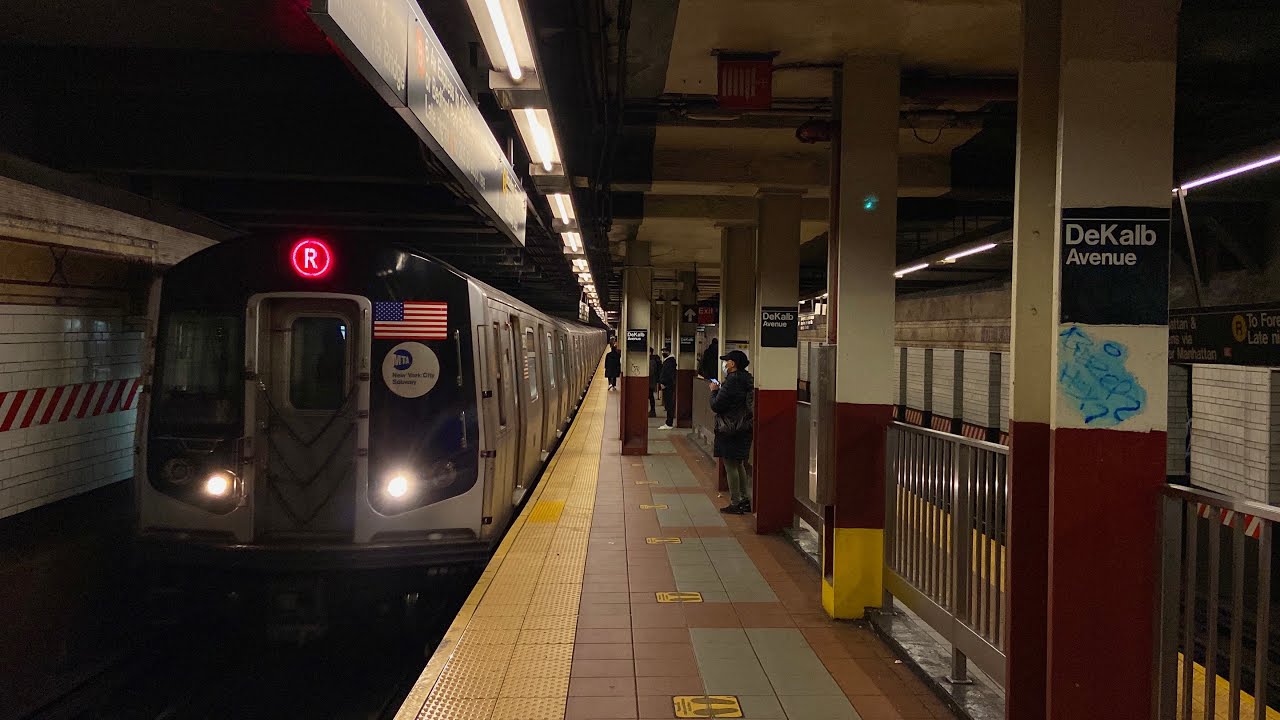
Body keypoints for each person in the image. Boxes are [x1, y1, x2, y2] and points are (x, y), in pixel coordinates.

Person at [709, 349, 754, 514]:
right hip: (744, 427)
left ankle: (735, 502)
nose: (724, 364)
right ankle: (744, 499)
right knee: (739, 463)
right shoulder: (747, 379)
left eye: (726, 361)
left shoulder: (732, 381)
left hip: (730, 428)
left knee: (730, 465)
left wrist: (714, 391)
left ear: (733, 364)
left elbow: (717, 405)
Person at [657, 348, 677, 429]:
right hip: (667, 386)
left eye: (665, 351)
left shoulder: (669, 362)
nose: (663, 353)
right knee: (668, 404)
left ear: (669, 352)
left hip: (668, 386)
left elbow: (669, 375)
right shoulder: (668, 361)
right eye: (662, 351)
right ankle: (669, 422)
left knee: (669, 404)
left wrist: (664, 383)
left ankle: (669, 423)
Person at [648, 347, 660, 417]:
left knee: (650, 396)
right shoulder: (652, 360)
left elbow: (651, 371)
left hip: (650, 381)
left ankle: (653, 411)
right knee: (650, 396)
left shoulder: (651, 361)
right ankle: (652, 410)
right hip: (652, 381)